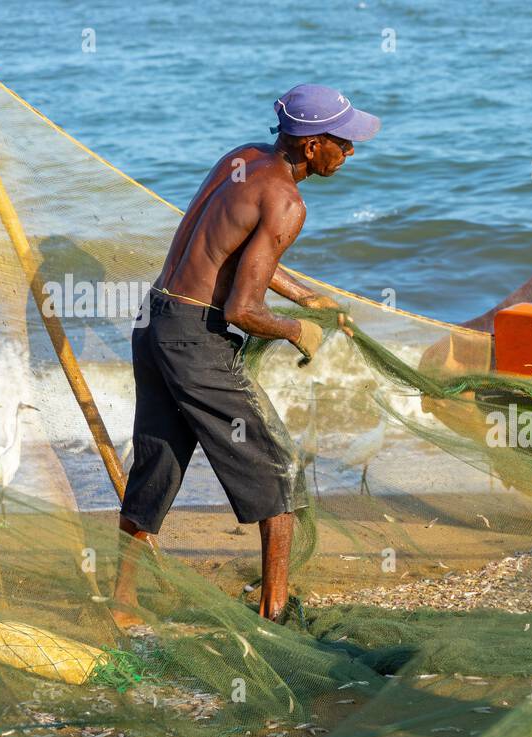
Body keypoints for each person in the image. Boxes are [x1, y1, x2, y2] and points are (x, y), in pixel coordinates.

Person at [112, 84, 379, 626]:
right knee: (278, 468)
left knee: (157, 465)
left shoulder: (241, 160)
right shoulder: (288, 201)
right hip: (196, 339)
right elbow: (241, 309)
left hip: (157, 319)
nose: (351, 152)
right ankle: (274, 617)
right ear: (311, 146)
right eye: (343, 143)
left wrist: (307, 296)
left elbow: (230, 251)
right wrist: (296, 330)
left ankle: (120, 602)